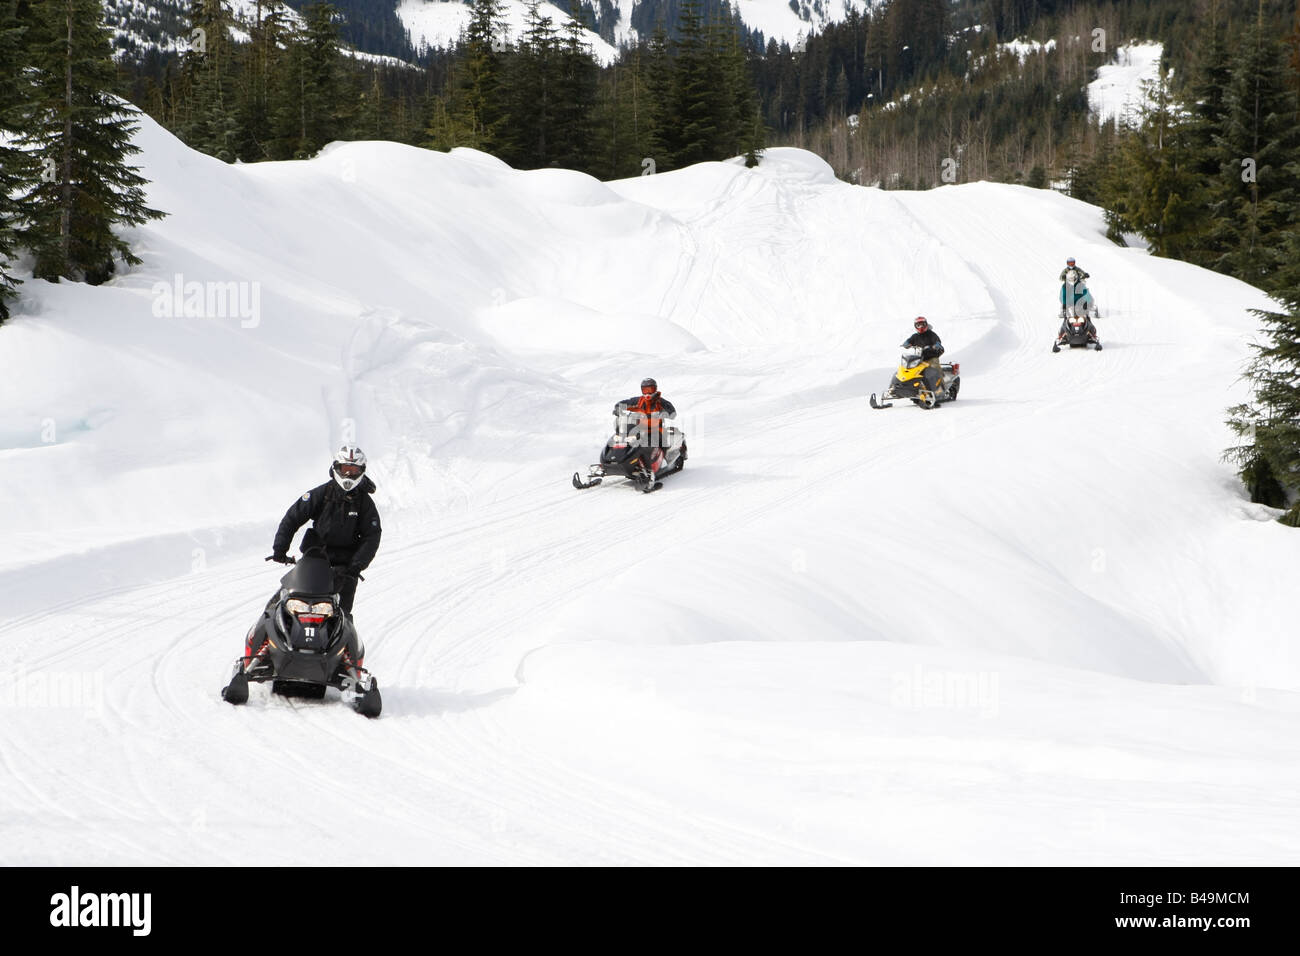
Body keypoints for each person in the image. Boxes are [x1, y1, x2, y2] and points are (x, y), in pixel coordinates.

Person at [267, 445, 382, 616]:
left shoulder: (365, 503)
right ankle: (264, 636)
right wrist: (280, 549)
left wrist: (356, 566)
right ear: (336, 467)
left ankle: (345, 643)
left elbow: (372, 536)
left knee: (341, 615)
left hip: (346, 567)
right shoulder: (322, 493)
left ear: (362, 471)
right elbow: (293, 517)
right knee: (283, 603)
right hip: (314, 559)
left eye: (353, 469)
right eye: (345, 469)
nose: (348, 474)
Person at [614, 378, 683, 472]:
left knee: (656, 442)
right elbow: (625, 403)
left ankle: (661, 462)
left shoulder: (660, 401)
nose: (647, 394)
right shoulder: (638, 401)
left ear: (655, 390)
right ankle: (619, 461)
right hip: (638, 429)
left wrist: (664, 413)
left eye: (650, 390)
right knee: (623, 440)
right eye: (645, 390)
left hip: (655, 430)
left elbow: (672, 411)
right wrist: (618, 408)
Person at [901, 317, 945, 392]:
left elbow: (937, 341)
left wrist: (936, 345)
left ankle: (942, 388)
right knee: (911, 370)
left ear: (926, 324)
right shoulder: (915, 336)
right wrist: (906, 344)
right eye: (918, 325)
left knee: (935, 367)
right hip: (919, 358)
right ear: (915, 326)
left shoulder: (931, 334)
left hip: (931, 357)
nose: (921, 327)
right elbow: (908, 341)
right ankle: (910, 388)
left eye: (922, 324)